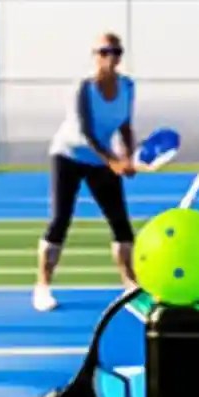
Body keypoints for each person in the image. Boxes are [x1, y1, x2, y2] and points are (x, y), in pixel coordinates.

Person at [37, 32, 138, 312]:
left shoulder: (128, 86)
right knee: (60, 220)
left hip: (101, 160)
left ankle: (130, 285)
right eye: (105, 52)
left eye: (116, 51)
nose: (111, 57)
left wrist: (128, 157)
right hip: (68, 155)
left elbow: (126, 125)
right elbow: (86, 133)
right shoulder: (83, 88)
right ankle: (43, 286)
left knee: (121, 223)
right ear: (95, 55)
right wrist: (113, 161)